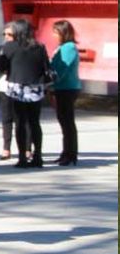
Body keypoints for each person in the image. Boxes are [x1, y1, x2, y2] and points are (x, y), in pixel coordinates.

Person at [0, 19, 50, 168]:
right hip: (35, 87)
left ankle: (22, 157)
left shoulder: (10, 47)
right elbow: (46, 66)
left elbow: (2, 66)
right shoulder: (39, 47)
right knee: (34, 122)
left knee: (20, 122)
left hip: (17, 87)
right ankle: (37, 155)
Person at [49, 20, 81, 166]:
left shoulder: (69, 47)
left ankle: (71, 153)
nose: (54, 35)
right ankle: (65, 152)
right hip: (61, 88)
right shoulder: (62, 47)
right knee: (63, 121)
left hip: (66, 87)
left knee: (67, 122)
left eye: (56, 32)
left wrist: (51, 80)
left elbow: (63, 67)